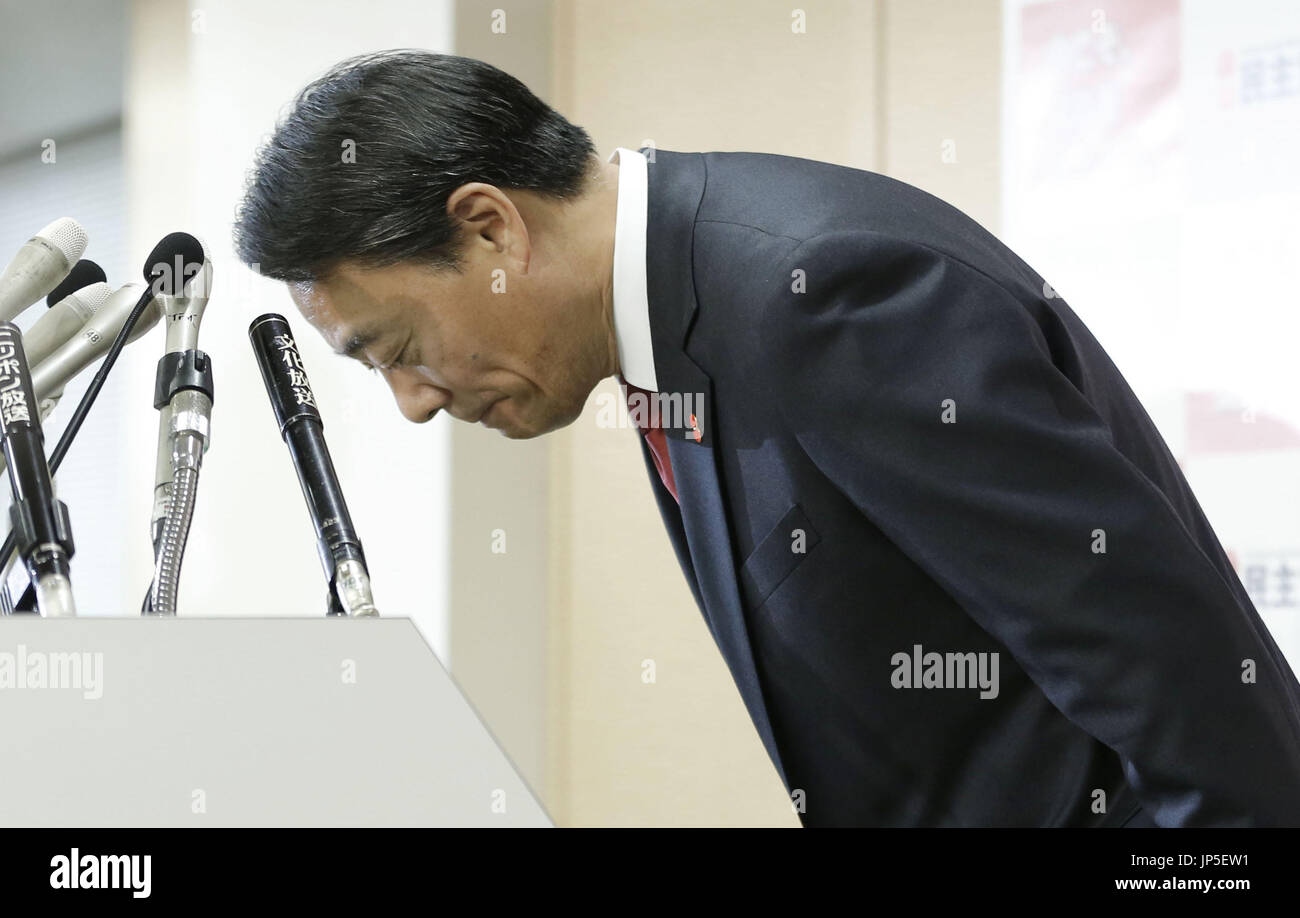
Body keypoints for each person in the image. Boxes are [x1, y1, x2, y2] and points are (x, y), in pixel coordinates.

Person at [234, 49, 1300, 826]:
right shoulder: (671, 314)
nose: (412, 402)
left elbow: (1199, 711)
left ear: (490, 227)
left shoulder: (824, 292)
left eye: (396, 347)